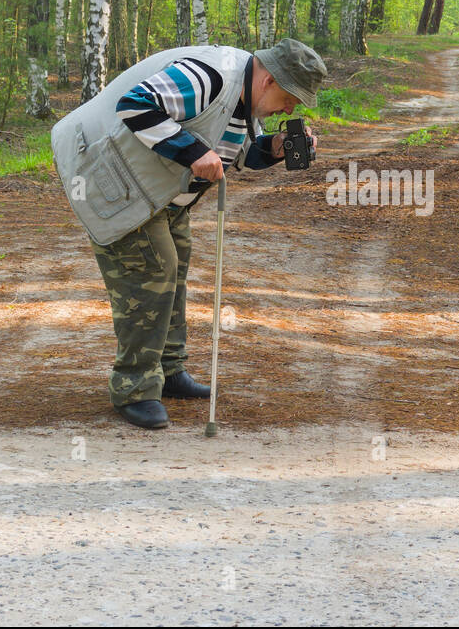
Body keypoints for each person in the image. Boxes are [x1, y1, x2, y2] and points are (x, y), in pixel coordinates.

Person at [51, 39, 327, 428]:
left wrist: (275, 148)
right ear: (268, 80)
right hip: (106, 174)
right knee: (153, 269)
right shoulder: (209, 77)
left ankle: (168, 369)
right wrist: (193, 152)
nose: (290, 108)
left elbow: (236, 151)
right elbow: (134, 104)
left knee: (175, 265)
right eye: (290, 97)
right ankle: (134, 386)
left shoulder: (245, 96)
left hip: (157, 189)